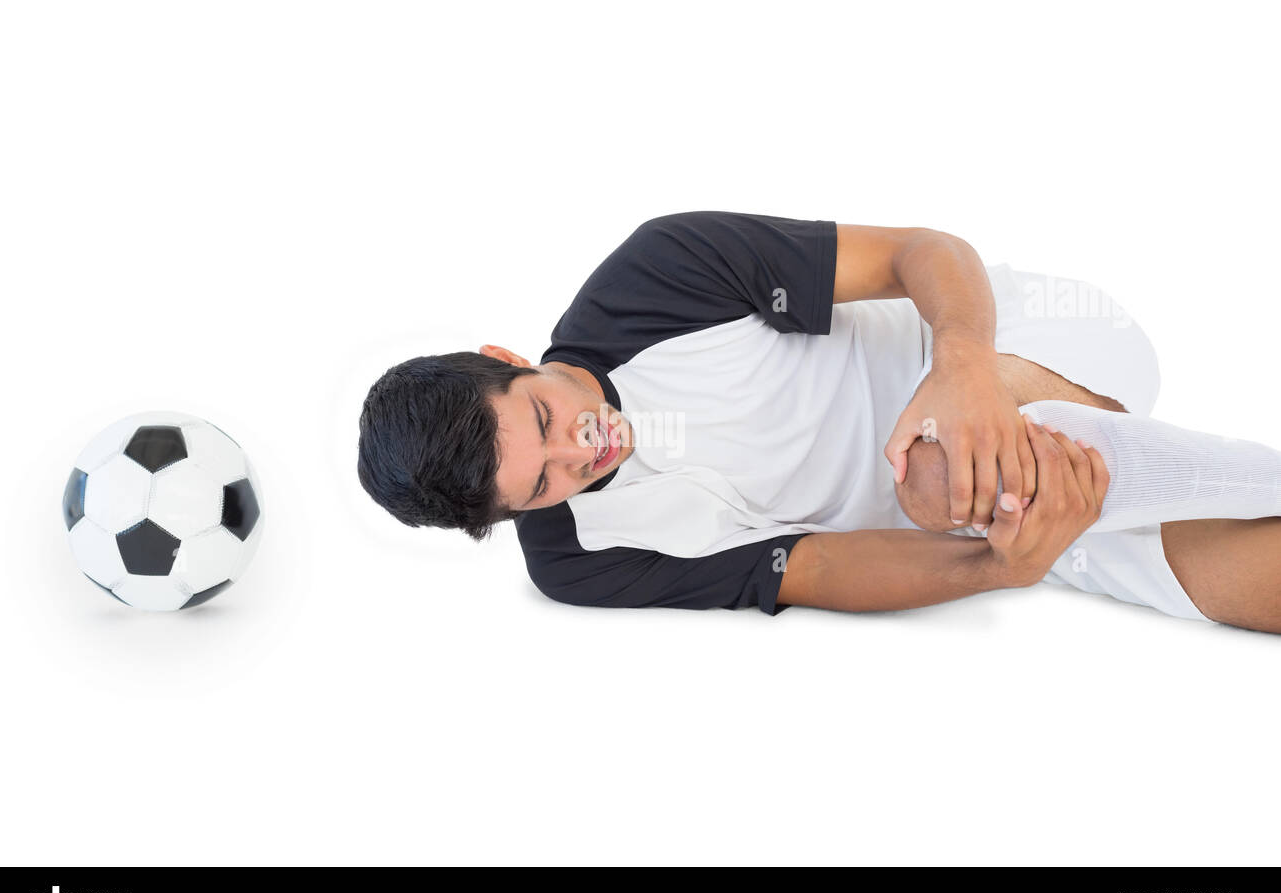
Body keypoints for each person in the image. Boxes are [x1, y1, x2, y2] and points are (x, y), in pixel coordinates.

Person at [357, 212, 1281, 633]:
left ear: (512, 361)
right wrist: (1006, 568)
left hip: (1017, 339)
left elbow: (928, 250)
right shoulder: (576, 561)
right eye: (544, 483)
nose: (578, 453)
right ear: (515, 516)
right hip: (979, 513)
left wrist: (961, 368)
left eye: (547, 419)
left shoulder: (654, 274)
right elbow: (818, 567)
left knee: (931, 474)